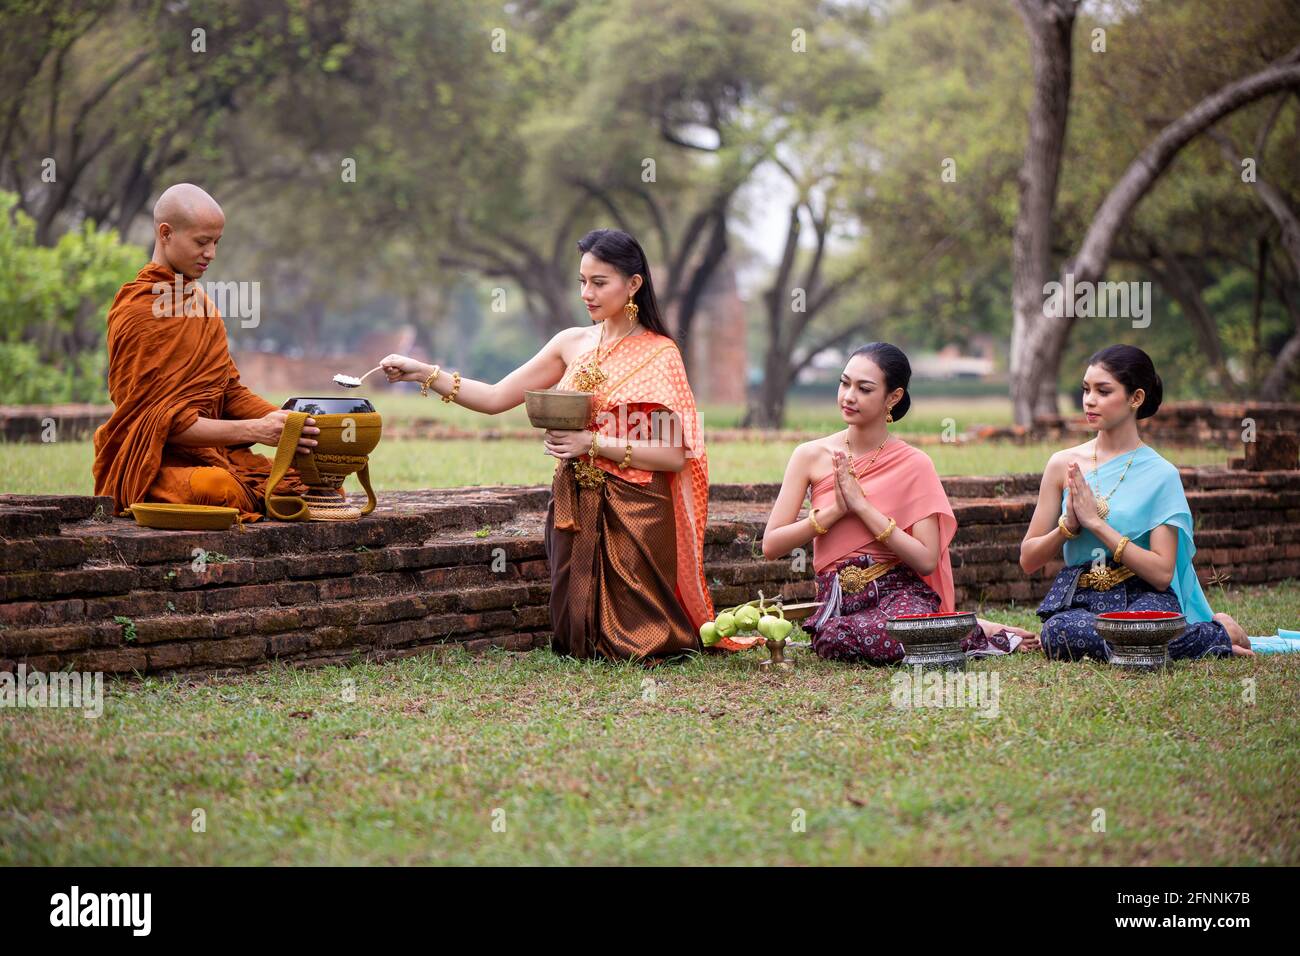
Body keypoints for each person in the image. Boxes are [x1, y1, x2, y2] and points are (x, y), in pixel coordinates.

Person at [381, 228, 711, 661]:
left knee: (640, 642)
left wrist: (592, 443)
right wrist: (422, 372)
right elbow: (496, 397)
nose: (586, 294)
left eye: (599, 282)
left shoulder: (660, 353)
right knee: (574, 636)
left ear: (633, 284)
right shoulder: (570, 343)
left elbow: (673, 454)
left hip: (635, 507)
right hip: (573, 498)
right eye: (581, 281)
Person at [762, 342, 1039, 664]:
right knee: (835, 640)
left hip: (897, 593)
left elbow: (925, 559)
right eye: (844, 383)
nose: (849, 396)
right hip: (838, 597)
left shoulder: (914, 463)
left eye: (864, 389)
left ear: (893, 397)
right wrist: (836, 510)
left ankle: (964, 628)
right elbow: (772, 544)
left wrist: (862, 507)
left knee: (893, 636)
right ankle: (960, 627)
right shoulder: (810, 455)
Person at [93, 184, 318, 521]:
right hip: (152, 461)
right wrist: (256, 431)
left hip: (213, 453)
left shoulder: (201, 306)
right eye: (201, 242)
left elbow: (228, 391)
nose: (211, 253)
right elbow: (156, 424)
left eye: (216, 242)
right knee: (216, 488)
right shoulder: (137, 311)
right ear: (165, 234)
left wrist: (293, 423)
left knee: (314, 483)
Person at [1019, 344, 1252, 660]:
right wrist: (1067, 527)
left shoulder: (1161, 475)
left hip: (1144, 596)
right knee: (1059, 632)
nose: (1089, 400)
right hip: (1084, 600)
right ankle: (1209, 637)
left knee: (1143, 628)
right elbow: (1029, 559)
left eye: (1103, 391)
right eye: (1086, 389)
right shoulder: (1063, 464)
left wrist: (1097, 524)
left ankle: (1210, 633)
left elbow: (1160, 573)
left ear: (1135, 398)